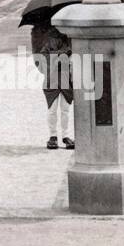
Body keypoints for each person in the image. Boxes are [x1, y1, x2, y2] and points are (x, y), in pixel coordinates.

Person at [31, 20, 74, 150]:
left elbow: (74, 56)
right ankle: (53, 135)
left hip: (65, 78)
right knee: (52, 109)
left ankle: (65, 135)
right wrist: (61, 56)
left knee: (65, 109)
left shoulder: (70, 39)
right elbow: (43, 57)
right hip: (53, 79)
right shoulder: (49, 41)